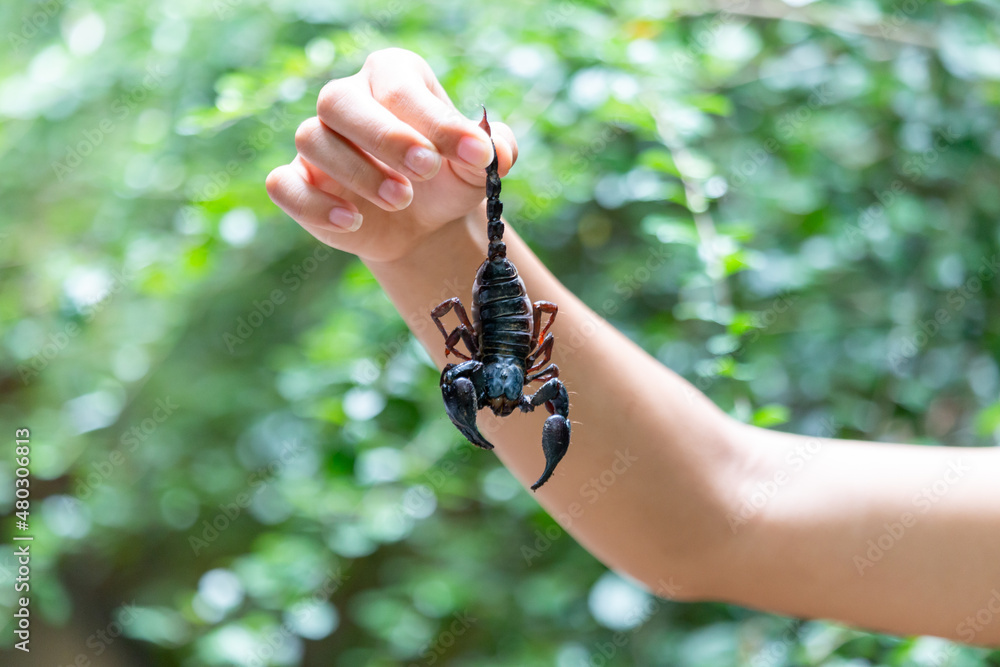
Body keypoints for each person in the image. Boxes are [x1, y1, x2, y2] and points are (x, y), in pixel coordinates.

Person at [266, 47, 1000, 647]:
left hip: (502, 328)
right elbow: (719, 514)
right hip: (495, 303)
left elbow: (720, 515)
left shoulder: (512, 373)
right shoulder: (515, 369)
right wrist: (426, 241)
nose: (494, 404)